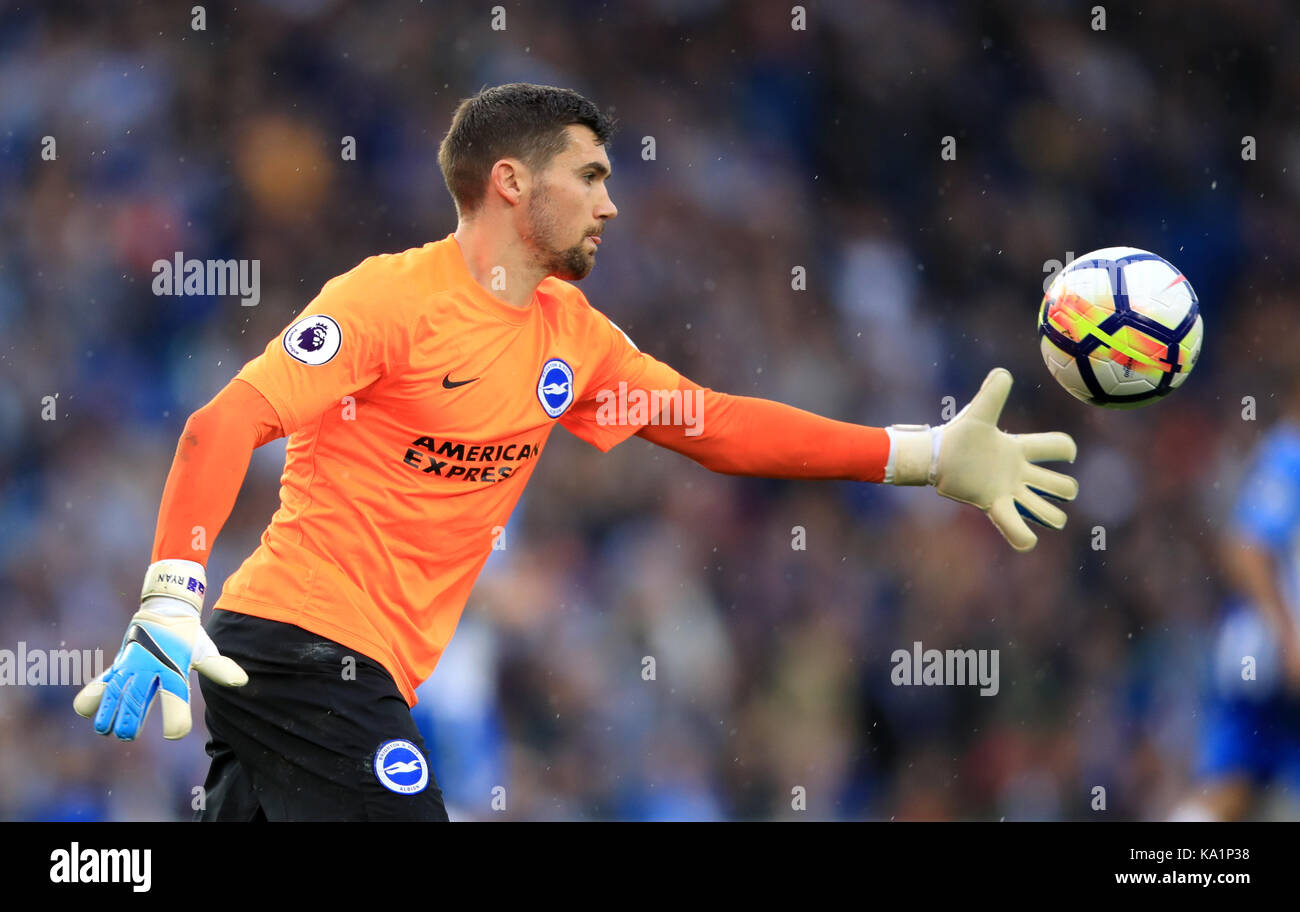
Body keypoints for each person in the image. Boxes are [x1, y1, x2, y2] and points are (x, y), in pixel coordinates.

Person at [73, 83, 1078, 821]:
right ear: (511, 183)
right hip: (306, 649)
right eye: (589, 176)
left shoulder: (573, 337)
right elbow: (221, 424)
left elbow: (716, 425)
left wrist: (922, 454)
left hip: (336, 670)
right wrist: (170, 589)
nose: (609, 203)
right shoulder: (390, 300)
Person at [1175, 376, 1300, 821]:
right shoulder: (1291, 455)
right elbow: (1245, 547)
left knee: (1238, 788)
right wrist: (1288, 635)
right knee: (1231, 786)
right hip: (1268, 658)